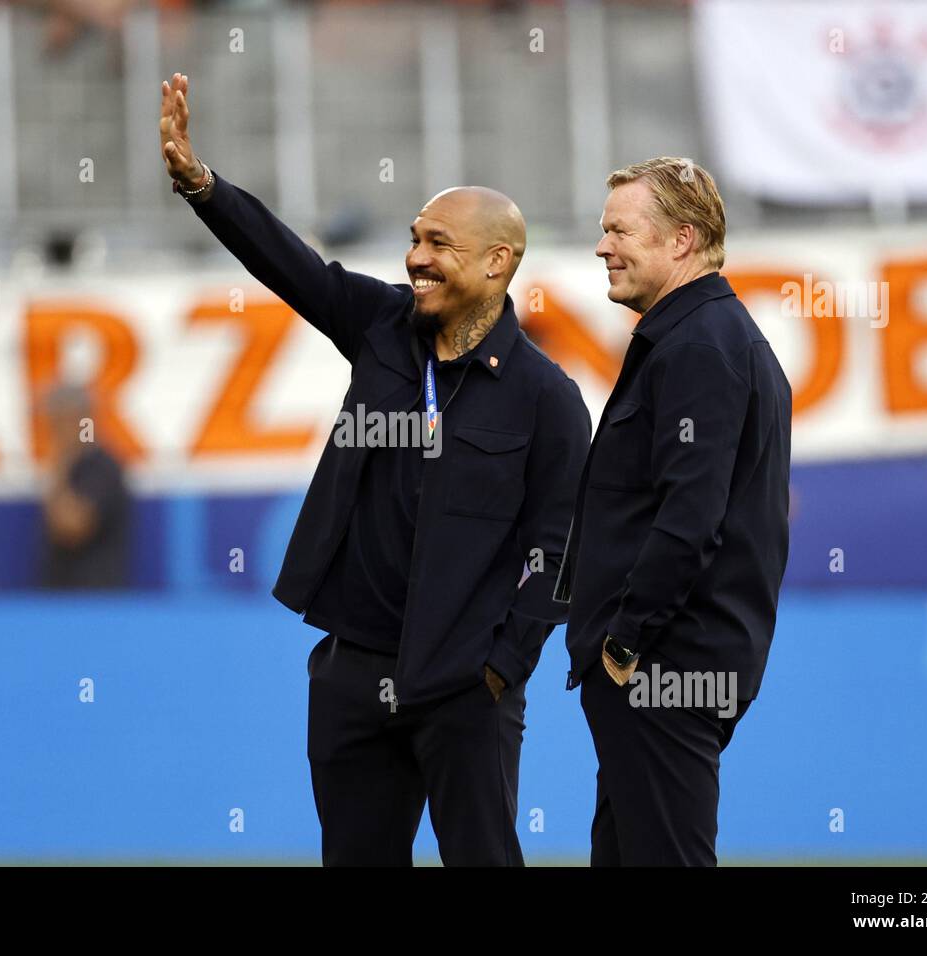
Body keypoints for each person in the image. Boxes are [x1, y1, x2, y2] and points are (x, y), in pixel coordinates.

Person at [161, 73, 590, 866]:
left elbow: (558, 551)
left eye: (438, 246)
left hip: (465, 686)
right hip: (354, 673)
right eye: (415, 238)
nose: (415, 258)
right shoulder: (384, 326)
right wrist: (203, 186)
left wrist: (504, 668)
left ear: (498, 264)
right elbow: (294, 268)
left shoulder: (548, 400)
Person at [554, 156, 792, 866]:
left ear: (682, 240)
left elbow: (690, 517)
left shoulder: (698, 347)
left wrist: (624, 644)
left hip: (662, 668)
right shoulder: (702, 337)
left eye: (620, 230)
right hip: (668, 667)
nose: (603, 246)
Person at [40, 384, 133, 591]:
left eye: (58, 422)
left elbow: (71, 527)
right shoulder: (76, 466)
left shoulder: (101, 467)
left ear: (80, 420)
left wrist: (61, 462)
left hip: (93, 602)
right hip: (63, 600)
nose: (53, 431)